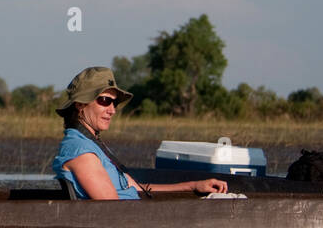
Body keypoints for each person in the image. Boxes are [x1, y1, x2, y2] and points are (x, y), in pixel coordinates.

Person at [52, 66, 229, 200]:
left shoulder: (93, 145)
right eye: (105, 101)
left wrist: (193, 186)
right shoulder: (81, 150)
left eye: (115, 103)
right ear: (80, 104)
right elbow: (111, 210)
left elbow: (137, 188)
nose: (112, 110)